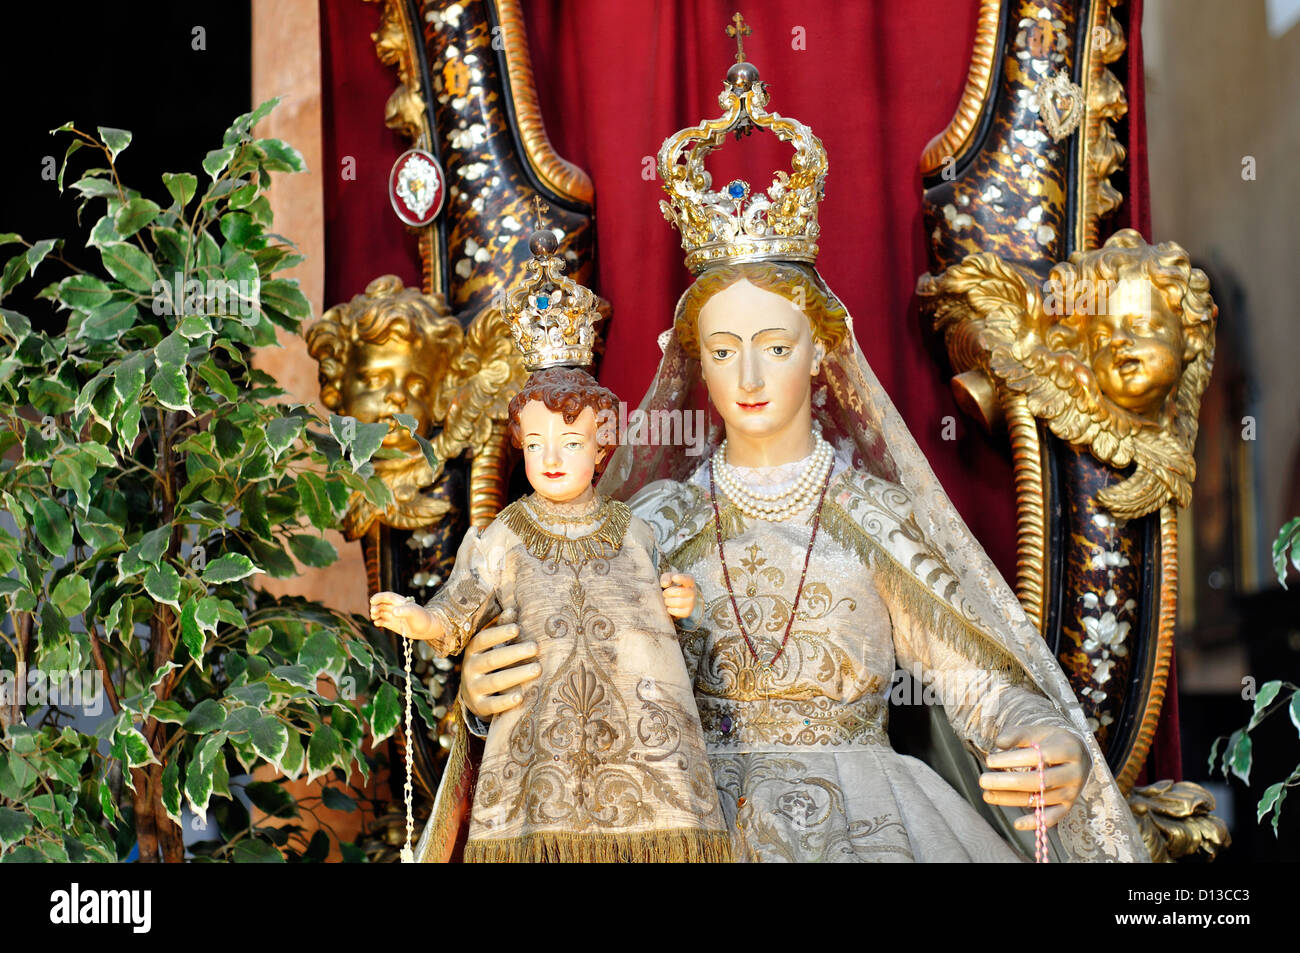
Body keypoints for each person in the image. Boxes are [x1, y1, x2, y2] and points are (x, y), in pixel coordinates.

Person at [449, 40, 1150, 862]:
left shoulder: (872, 514)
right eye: (722, 350)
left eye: (775, 347)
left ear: (820, 350)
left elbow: (983, 682)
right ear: (691, 358)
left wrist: (1041, 737)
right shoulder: (642, 526)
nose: (746, 375)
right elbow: (555, 684)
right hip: (682, 820)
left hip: (873, 827)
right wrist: (477, 701)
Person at [370, 231, 730, 863]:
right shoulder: (504, 532)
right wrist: (422, 619)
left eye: (569, 441)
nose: (551, 458)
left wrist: (682, 597)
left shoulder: (638, 530)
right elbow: (465, 603)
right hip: (540, 742)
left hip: (647, 743)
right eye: (534, 444)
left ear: (602, 443)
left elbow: (682, 617)